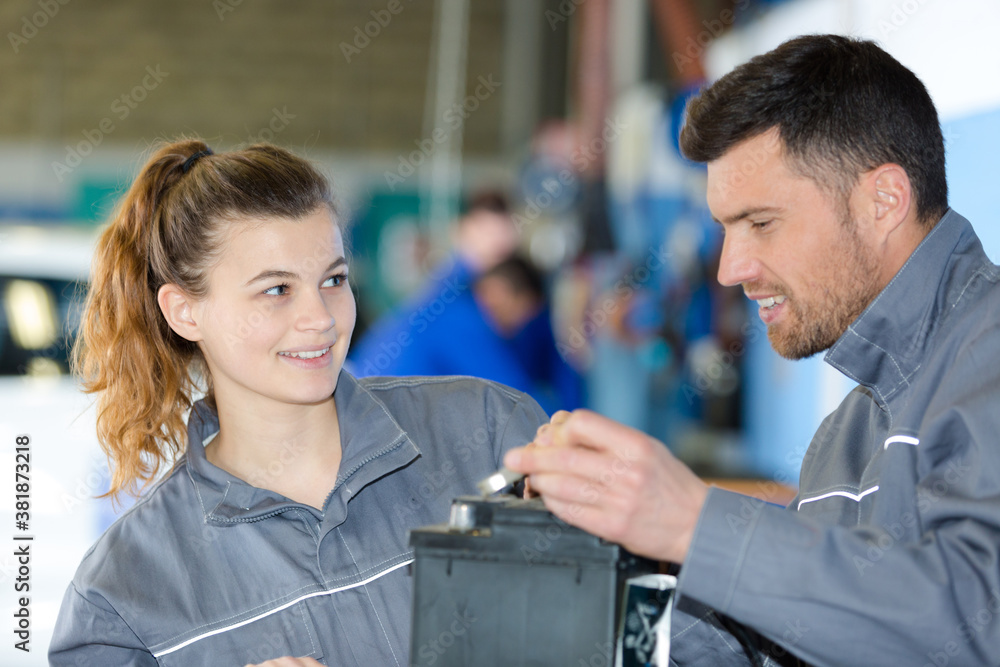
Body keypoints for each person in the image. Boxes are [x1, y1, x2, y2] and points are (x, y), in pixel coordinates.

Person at [506, 34, 1000, 666]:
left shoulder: (985, 354)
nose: (731, 269)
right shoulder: (847, 435)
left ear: (883, 201)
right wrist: (615, 561)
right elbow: (787, 639)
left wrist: (694, 522)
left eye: (761, 223)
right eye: (725, 230)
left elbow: (976, 625)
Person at [48, 140, 548, 666]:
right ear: (185, 312)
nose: (321, 318)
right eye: (277, 290)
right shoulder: (121, 599)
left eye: (333, 280)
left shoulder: (489, 433)